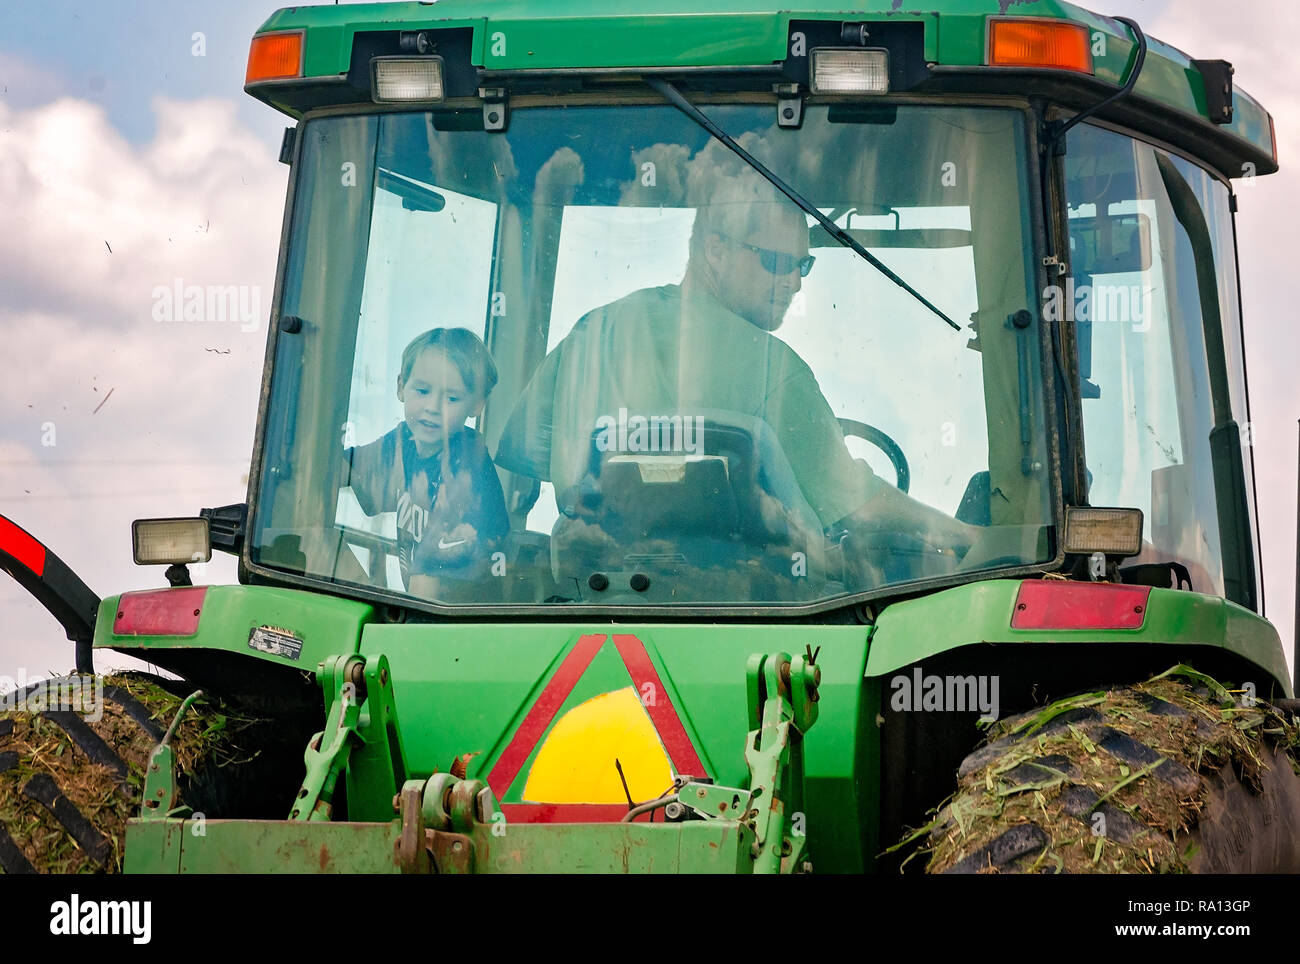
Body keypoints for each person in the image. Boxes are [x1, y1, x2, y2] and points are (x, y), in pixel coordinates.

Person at [496, 177, 974, 587]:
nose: (794, 282)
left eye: (802, 265)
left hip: (595, 596)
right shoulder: (775, 369)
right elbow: (858, 508)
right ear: (714, 249)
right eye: (775, 261)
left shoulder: (593, 333)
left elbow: (523, 453)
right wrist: (967, 537)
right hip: (752, 607)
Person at [344, 327, 509, 592]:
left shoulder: (467, 464)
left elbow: (433, 575)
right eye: (422, 391)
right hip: (418, 599)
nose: (433, 407)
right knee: (307, 532)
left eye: (452, 398)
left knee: (427, 576)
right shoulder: (402, 440)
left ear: (477, 404)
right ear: (401, 387)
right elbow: (340, 469)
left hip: (457, 616)